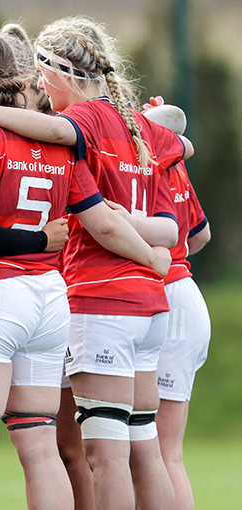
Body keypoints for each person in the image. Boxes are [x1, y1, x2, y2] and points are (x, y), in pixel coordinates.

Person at [0, 16, 192, 510]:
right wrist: (154, 255)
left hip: (77, 296)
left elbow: (92, 217)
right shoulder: (119, 125)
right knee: (92, 445)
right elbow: (159, 216)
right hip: (89, 300)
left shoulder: (68, 125)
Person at [143, 102, 211, 510]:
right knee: (157, 451)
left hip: (170, 300)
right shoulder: (176, 166)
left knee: (163, 452)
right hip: (182, 294)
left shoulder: (148, 169)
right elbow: (200, 236)